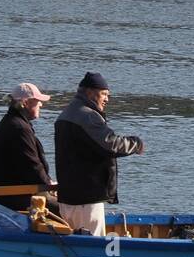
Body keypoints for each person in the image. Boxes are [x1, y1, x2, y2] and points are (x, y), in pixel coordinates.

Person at [54, 72, 144, 236]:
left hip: (68, 197)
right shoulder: (87, 116)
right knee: (92, 246)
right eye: (104, 94)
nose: (107, 99)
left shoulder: (65, 114)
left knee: (73, 244)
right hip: (86, 200)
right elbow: (110, 144)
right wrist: (136, 144)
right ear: (89, 92)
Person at [0, 82, 57, 212]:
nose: (41, 104)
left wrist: (48, 183)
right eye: (37, 101)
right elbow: (32, 167)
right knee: (71, 209)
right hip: (10, 198)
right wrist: (49, 186)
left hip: (6, 194)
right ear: (26, 103)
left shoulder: (13, 122)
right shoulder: (19, 128)